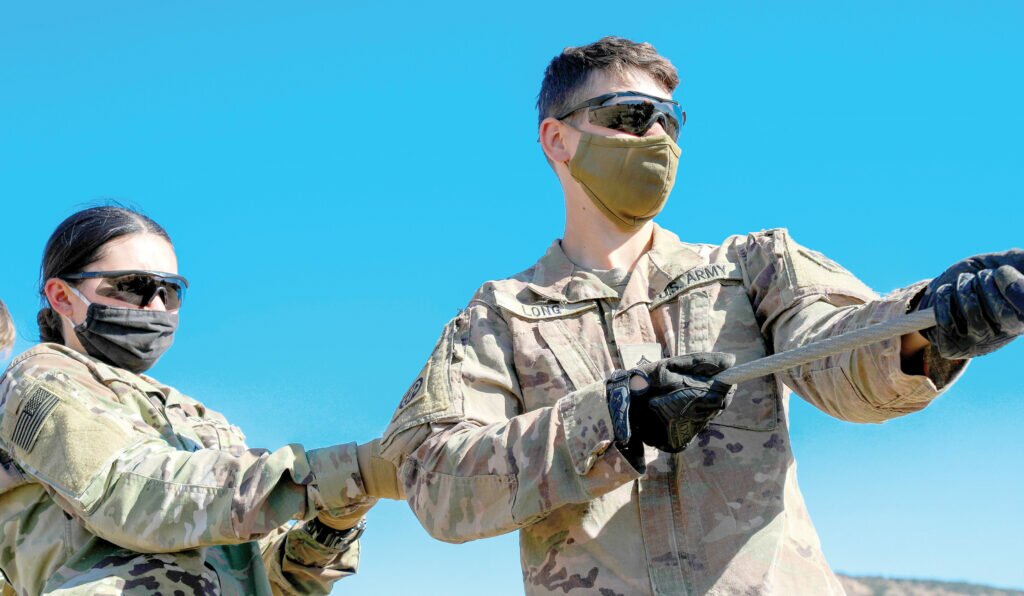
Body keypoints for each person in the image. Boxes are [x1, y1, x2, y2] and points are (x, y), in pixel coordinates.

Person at [380, 37, 1024, 595]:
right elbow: (437, 481)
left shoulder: (754, 267)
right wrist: (610, 422)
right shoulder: (500, 318)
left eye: (670, 121)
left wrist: (932, 326)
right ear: (558, 140)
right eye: (630, 116)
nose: (656, 137)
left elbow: (840, 351)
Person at [0, 206, 401, 595]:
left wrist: (336, 520)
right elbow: (133, 494)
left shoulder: (198, 419)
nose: (155, 307)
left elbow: (270, 579)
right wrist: (344, 469)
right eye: (133, 287)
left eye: (169, 291)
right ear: (62, 297)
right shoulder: (39, 382)